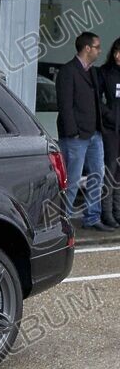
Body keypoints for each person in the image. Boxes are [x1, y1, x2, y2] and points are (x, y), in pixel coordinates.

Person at [56, 32, 111, 231]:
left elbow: (97, 102)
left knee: (97, 175)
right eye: (97, 46)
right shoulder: (68, 71)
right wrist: (73, 132)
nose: (100, 50)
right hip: (76, 137)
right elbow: (65, 105)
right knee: (72, 179)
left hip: (94, 134)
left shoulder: (93, 72)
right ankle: (64, 220)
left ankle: (92, 217)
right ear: (87, 48)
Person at [98, 37, 120, 228]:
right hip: (111, 131)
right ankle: (106, 213)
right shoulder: (105, 73)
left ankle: (118, 212)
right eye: (115, 52)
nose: (118, 56)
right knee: (110, 172)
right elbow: (97, 100)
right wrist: (109, 114)